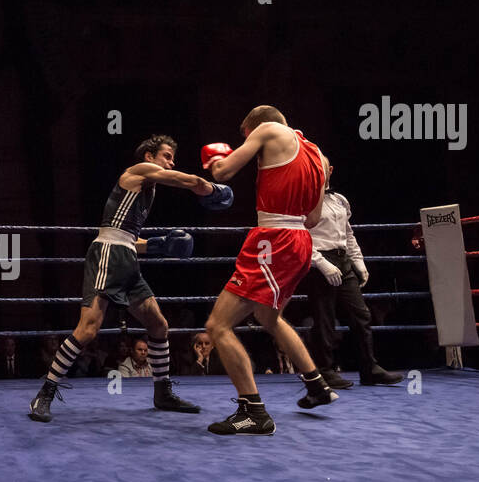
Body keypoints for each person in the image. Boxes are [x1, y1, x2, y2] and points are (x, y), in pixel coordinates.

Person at [28, 134, 233, 421]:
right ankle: (45, 392)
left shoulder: (147, 189)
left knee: (159, 325)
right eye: (166, 156)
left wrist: (157, 245)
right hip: (108, 255)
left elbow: (127, 237)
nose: (171, 162)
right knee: (88, 329)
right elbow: (186, 181)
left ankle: (162, 392)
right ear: (150, 156)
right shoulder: (138, 171)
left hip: (126, 256)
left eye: (172, 158)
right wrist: (211, 187)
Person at [200, 106, 340, 434]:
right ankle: (317, 385)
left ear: (255, 128)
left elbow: (222, 174)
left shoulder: (267, 130)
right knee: (268, 318)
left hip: (273, 240)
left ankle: (253, 412)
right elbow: (314, 218)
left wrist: (213, 160)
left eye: (247, 138)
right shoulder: (317, 154)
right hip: (301, 240)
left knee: (217, 325)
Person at [304, 160, 403, 388]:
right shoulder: (304, 199)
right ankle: (325, 371)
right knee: (324, 319)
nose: (320, 172)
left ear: (330, 170)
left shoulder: (340, 199)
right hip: (319, 261)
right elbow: (300, 236)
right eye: (315, 168)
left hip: (343, 259)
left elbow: (348, 234)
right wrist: (320, 263)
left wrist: (358, 261)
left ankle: (370, 369)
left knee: (361, 315)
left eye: (323, 168)